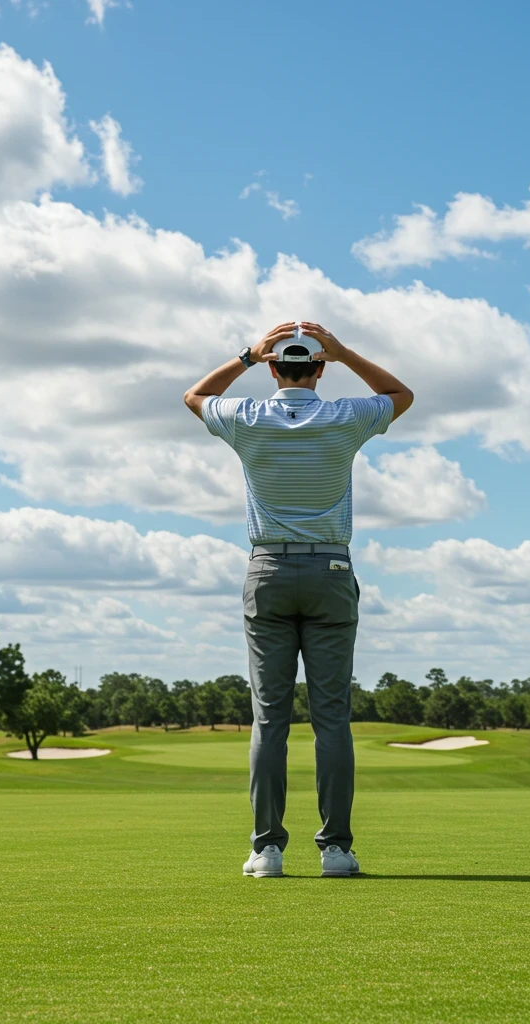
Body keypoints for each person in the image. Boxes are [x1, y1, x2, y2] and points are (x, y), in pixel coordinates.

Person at [184, 321, 414, 878]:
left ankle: (267, 850)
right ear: (319, 368)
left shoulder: (248, 417)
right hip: (331, 569)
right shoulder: (345, 416)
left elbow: (195, 396)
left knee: (270, 720)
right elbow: (400, 394)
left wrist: (246, 355)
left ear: (272, 368)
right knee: (332, 719)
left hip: (268, 570)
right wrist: (345, 353)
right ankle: (336, 851)